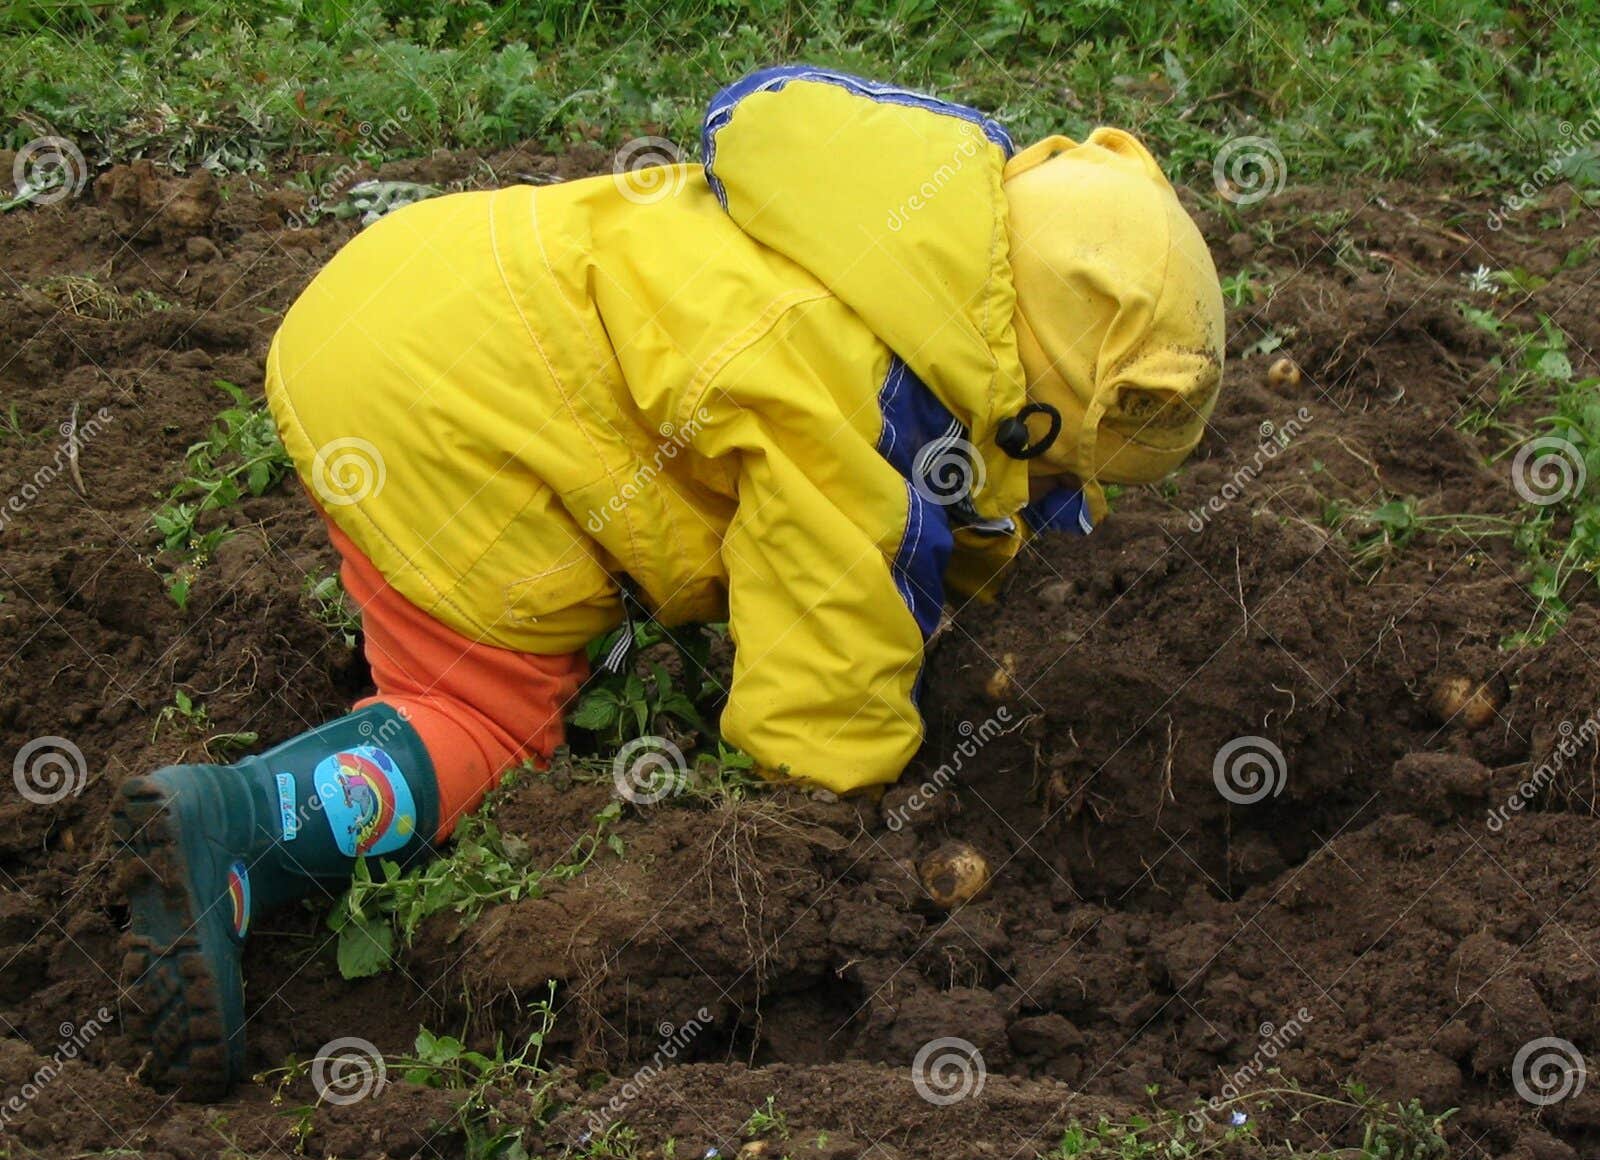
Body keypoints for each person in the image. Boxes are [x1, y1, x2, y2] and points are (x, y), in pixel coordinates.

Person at [115, 66, 1225, 1097]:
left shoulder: (885, 216)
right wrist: (825, 819)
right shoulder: (857, 418)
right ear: (1027, 403)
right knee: (482, 712)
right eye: (1057, 463)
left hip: (410, 296)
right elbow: (833, 634)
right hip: (444, 431)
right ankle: (248, 830)